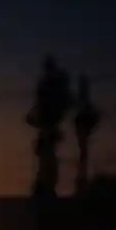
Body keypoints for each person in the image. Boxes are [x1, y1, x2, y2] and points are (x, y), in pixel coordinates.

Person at [26, 55, 73, 201]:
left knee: (47, 155)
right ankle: (44, 185)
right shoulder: (50, 84)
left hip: (49, 124)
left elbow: (58, 103)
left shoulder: (52, 85)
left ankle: (46, 186)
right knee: (46, 155)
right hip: (47, 125)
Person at [73, 75, 102, 197]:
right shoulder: (82, 107)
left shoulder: (85, 108)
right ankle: (82, 182)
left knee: (83, 156)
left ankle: (82, 183)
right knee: (83, 155)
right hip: (83, 135)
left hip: (84, 135)